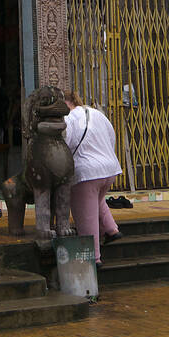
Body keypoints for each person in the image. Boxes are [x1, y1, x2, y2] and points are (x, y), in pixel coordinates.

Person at [63, 89, 122, 273]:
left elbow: (66, 144)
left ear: (66, 103)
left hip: (86, 172)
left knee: (85, 215)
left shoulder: (69, 119)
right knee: (96, 201)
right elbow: (112, 137)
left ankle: (93, 258)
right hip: (109, 169)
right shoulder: (97, 113)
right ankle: (112, 230)